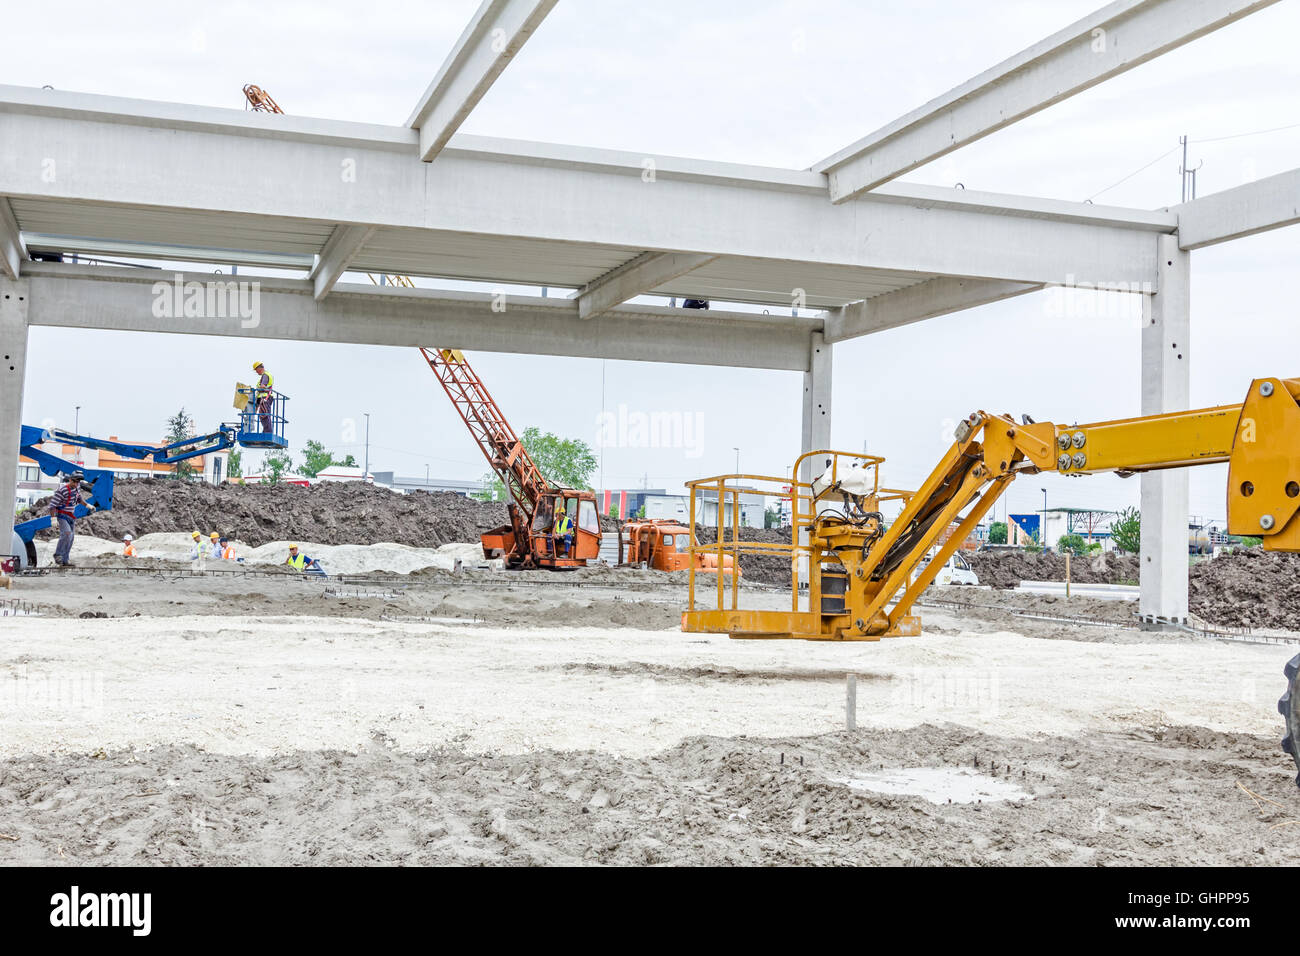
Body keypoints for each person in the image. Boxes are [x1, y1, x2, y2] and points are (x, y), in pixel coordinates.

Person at [50, 471, 93, 567]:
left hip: (71, 516)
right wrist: (53, 519)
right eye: (75, 482)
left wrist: (88, 506)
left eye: (78, 482)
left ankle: (65, 560)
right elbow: (52, 506)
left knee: (71, 538)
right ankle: (58, 554)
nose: (76, 484)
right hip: (62, 515)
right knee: (67, 534)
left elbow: (79, 499)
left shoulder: (77, 488)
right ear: (70, 480)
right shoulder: (62, 490)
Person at [252, 361, 274, 433]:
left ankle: (267, 432)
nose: (256, 372)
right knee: (264, 415)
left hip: (265, 398)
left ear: (259, 368)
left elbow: (263, 386)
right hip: (263, 398)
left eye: (256, 370)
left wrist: (258, 389)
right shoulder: (265, 375)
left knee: (264, 416)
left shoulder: (265, 375)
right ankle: (267, 431)